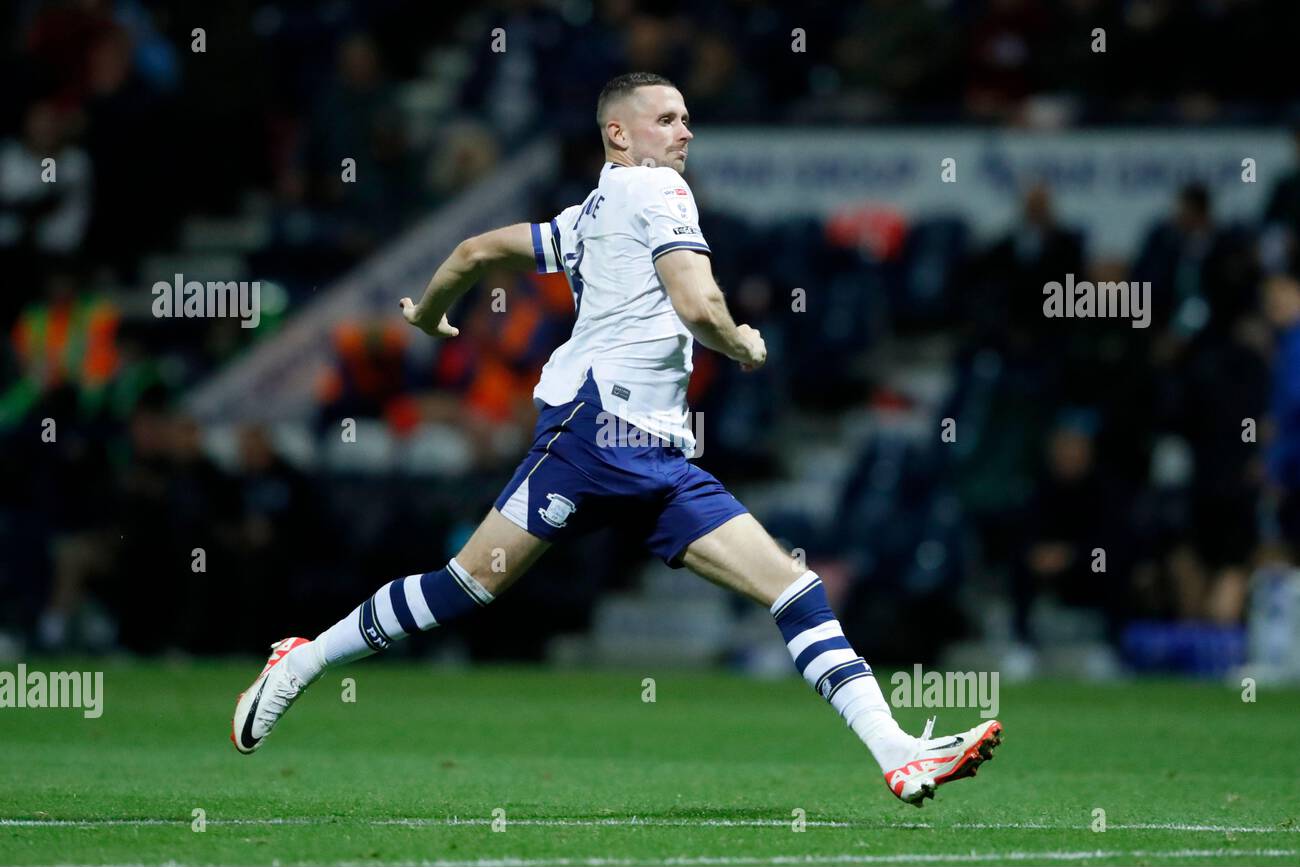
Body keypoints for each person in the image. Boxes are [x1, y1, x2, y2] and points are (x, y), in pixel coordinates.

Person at [231, 73, 1001, 805]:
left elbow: (475, 253)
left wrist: (432, 313)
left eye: (687, 118)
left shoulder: (591, 214)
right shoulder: (657, 188)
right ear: (618, 135)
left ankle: (898, 753)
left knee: (792, 587)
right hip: (595, 437)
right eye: (665, 118)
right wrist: (742, 345)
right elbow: (697, 304)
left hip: (655, 455)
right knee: (468, 585)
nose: (684, 130)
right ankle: (302, 659)